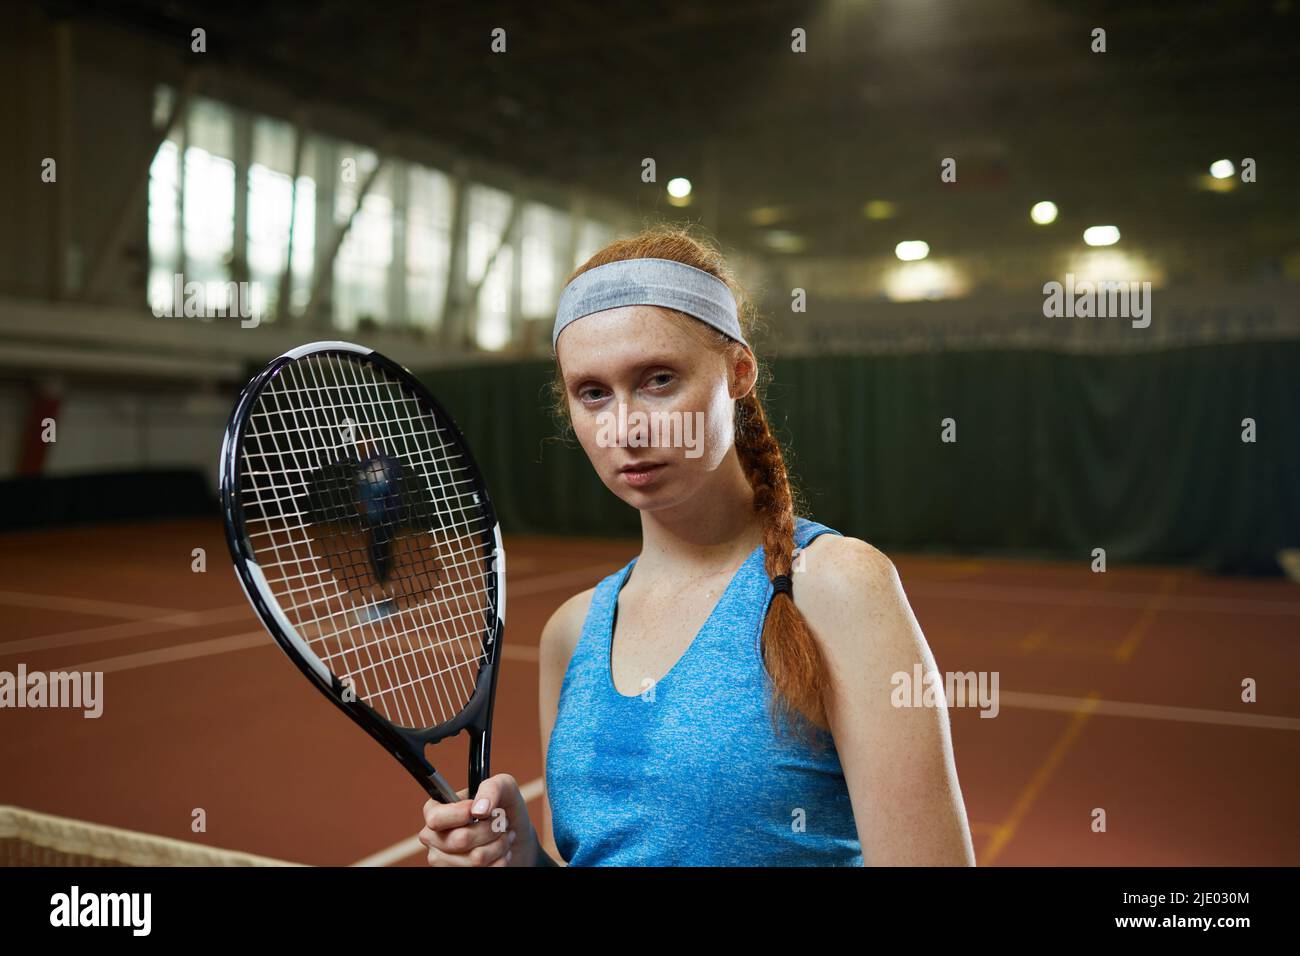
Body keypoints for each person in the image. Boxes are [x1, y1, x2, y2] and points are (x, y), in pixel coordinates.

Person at [418, 225, 975, 866]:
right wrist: (522, 860)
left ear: (738, 373)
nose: (624, 428)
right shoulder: (570, 631)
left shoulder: (838, 585)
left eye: (658, 379)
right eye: (592, 393)